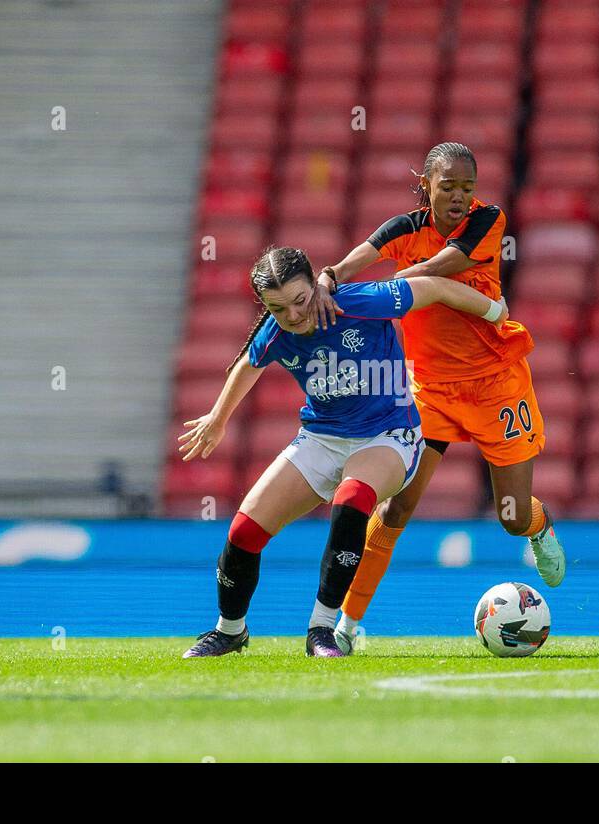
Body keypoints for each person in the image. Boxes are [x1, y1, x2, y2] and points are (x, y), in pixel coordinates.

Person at [177, 245, 508, 657]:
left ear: (315, 283)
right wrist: (218, 418)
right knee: (244, 531)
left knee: (352, 499)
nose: (293, 315)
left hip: (389, 435)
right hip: (321, 438)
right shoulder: (276, 332)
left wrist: (495, 312)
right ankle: (230, 631)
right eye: (278, 309)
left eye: (300, 300)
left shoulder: (362, 302)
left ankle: (322, 629)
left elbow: (435, 287)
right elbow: (249, 363)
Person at [311, 141, 565, 654]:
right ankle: (346, 626)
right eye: (448, 186)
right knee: (397, 507)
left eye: (467, 187)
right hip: (430, 391)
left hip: (497, 384)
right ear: (426, 186)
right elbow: (360, 255)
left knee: (511, 517)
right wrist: (328, 278)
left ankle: (540, 528)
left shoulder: (487, 220)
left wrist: (391, 286)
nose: (459, 196)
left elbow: (446, 264)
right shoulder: (405, 228)